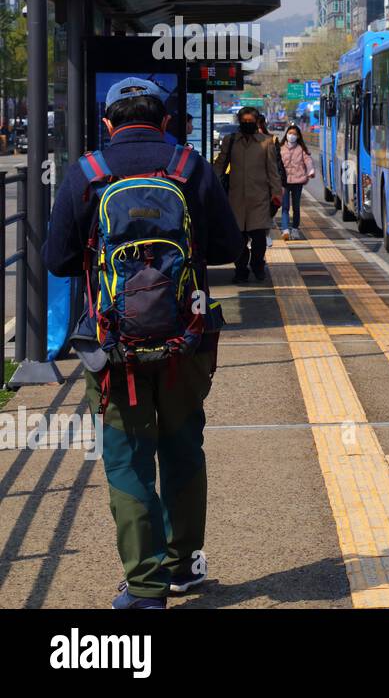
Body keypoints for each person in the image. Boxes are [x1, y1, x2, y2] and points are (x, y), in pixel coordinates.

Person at [44, 77, 243, 609]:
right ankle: (184, 565)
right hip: (187, 340)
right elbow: (227, 246)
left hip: (112, 349)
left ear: (108, 124)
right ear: (165, 120)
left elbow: (57, 260)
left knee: (128, 460)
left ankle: (146, 587)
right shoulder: (190, 167)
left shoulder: (87, 174)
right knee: (183, 448)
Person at [213, 106, 281, 282]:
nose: (247, 125)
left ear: (257, 122)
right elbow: (220, 164)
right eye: (244, 122)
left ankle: (258, 266)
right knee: (238, 239)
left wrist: (276, 195)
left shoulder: (267, 142)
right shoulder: (231, 140)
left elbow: (273, 172)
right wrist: (212, 185)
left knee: (259, 239)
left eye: (251, 122)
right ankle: (241, 270)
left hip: (259, 199)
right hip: (235, 199)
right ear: (239, 122)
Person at [279, 123, 315, 239]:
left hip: (298, 181)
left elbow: (308, 161)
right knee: (284, 207)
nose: (292, 136)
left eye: (294, 134)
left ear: (298, 136)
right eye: (290, 133)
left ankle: (294, 229)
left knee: (296, 207)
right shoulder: (280, 148)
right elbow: (275, 163)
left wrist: (311, 171)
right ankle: (285, 230)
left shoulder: (301, 149)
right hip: (284, 182)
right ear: (286, 134)